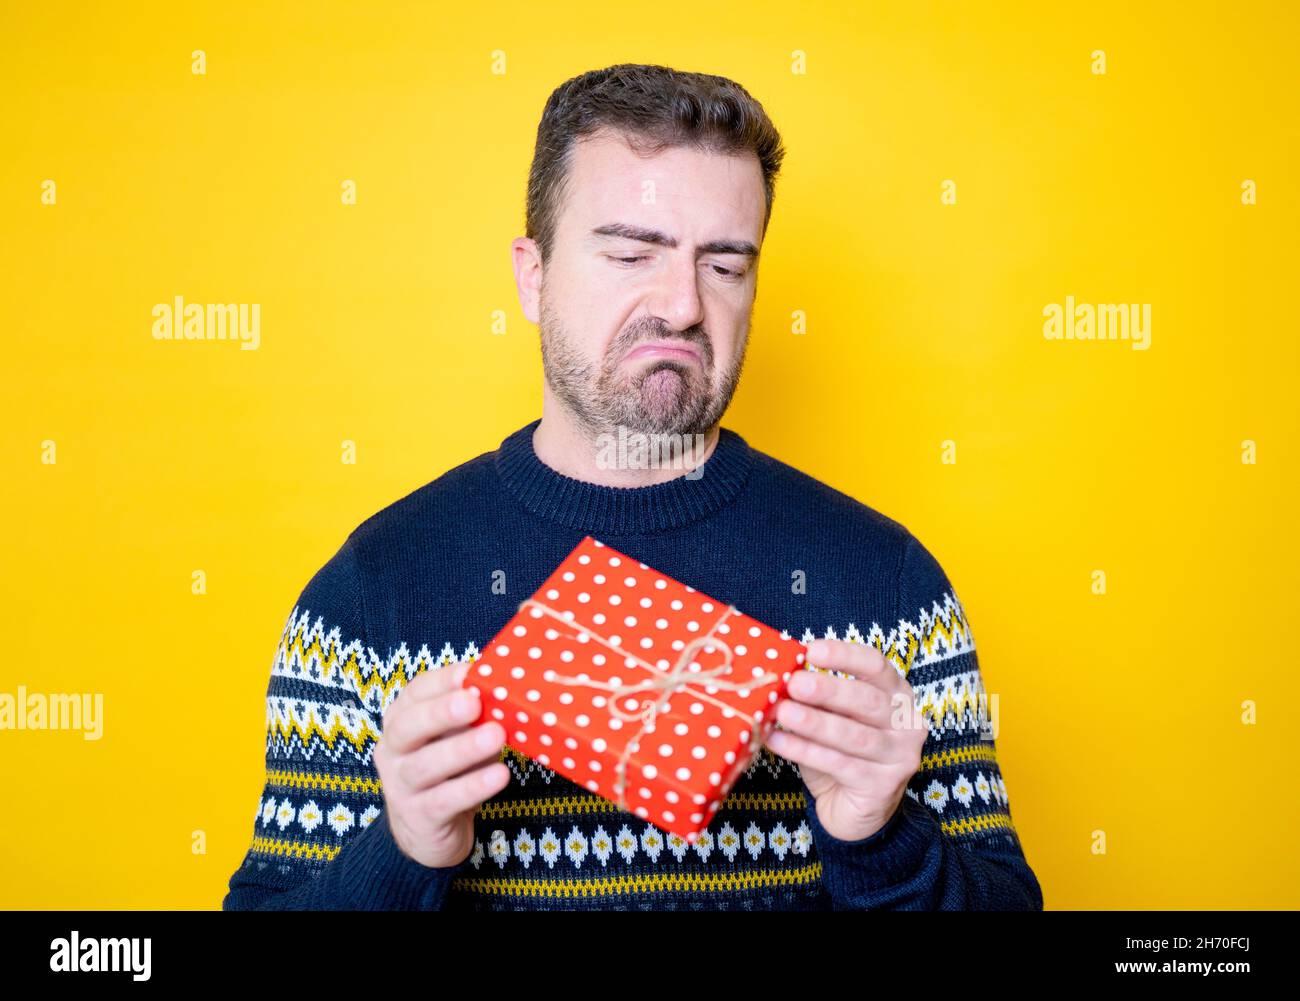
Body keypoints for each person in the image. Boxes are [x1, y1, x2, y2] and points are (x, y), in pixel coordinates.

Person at [222, 63, 1043, 911]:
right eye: (629, 253)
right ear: (531, 277)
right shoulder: (372, 593)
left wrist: (880, 836)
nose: (683, 306)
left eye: (725, 266)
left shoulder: (888, 586)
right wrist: (402, 850)